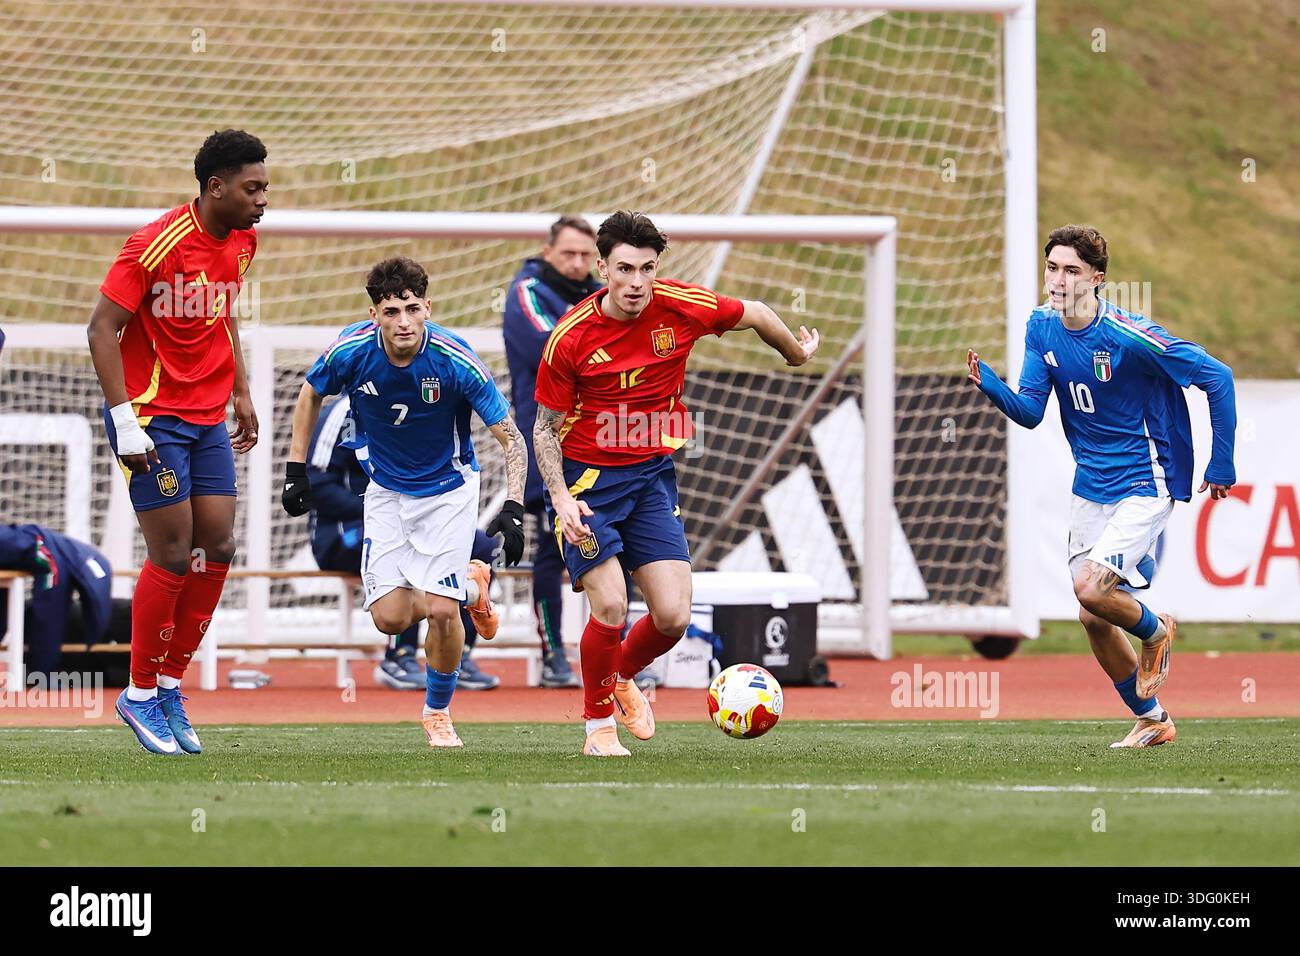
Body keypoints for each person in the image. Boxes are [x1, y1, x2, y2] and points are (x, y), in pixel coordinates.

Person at [533, 211, 820, 756]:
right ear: (602, 269)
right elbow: (543, 429)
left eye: (647, 268)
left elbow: (756, 313)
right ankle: (597, 730)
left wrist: (795, 354)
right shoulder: (569, 338)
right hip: (587, 484)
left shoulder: (680, 306)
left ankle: (618, 676)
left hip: (651, 477)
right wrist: (560, 498)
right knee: (612, 606)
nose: (637, 282)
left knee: (672, 617)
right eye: (624, 269)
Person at [967, 224, 1237, 748]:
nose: (1058, 280)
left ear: (1097, 277)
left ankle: (1158, 631)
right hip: (1091, 483)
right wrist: (993, 387)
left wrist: (1220, 463)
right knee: (1092, 616)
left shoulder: (1129, 336)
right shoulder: (1041, 328)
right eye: (1052, 268)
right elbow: (1029, 412)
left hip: (1148, 476)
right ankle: (1154, 719)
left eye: (1071, 270)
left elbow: (1218, 378)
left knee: (1090, 588)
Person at [283, 257, 527, 748]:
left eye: (412, 309)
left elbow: (512, 440)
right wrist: (295, 469)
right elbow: (309, 392)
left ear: (427, 308)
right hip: (387, 494)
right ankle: (474, 589)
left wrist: (514, 507)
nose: (403, 322)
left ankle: (437, 712)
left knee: (440, 610)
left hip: (449, 494)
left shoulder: (454, 360)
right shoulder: (352, 352)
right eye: (391, 311)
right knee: (390, 618)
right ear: (374, 314)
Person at [87, 129, 267, 756]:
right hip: (152, 417)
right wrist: (124, 419)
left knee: (217, 544)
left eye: (265, 188)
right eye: (252, 188)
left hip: (208, 415)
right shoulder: (154, 244)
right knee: (171, 553)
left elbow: (224, 313)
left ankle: (167, 683)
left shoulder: (243, 242)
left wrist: (241, 389)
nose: (263, 199)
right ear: (215, 188)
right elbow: (101, 328)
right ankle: (137, 693)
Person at [306, 397, 500, 690]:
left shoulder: (407, 408)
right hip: (342, 534)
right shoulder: (342, 412)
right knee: (405, 549)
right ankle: (400, 655)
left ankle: (459, 655)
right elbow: (314, 482)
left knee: (483, 547)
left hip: (404, 522)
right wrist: (379, 513)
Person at [503, 216, 602, 687]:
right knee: (553, 553)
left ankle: (613, 658)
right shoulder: (528, 291)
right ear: (549, 252)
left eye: (587, 255)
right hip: (546, 441)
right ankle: (552, 654)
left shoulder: (600, 295)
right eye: (570, 254)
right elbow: (553, 349)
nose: (579, 263)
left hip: (603, 441)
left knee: (615, 547)